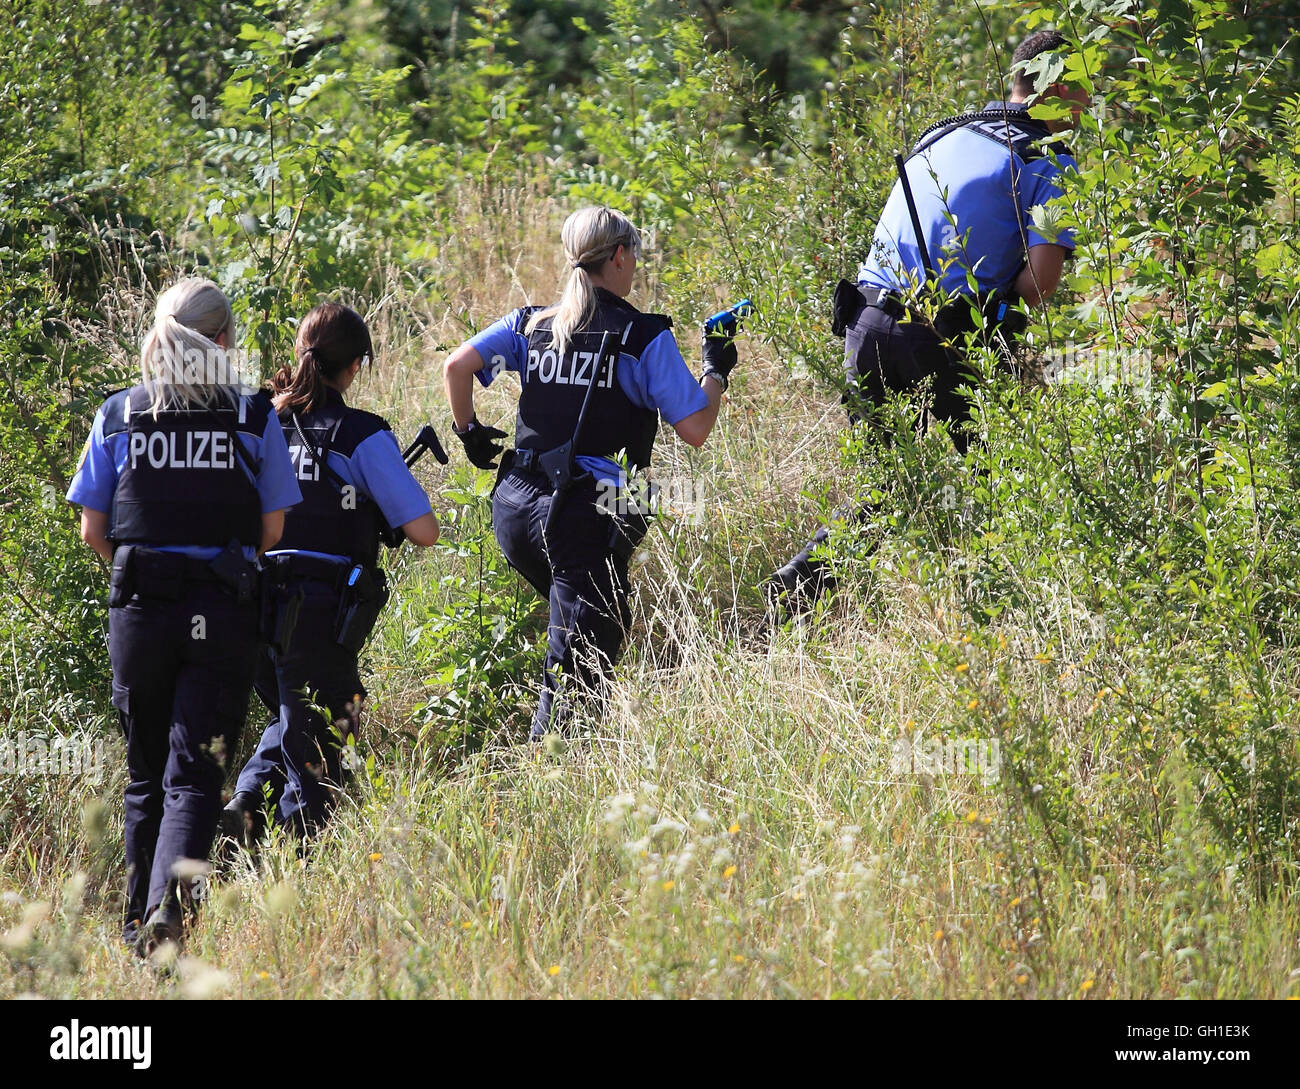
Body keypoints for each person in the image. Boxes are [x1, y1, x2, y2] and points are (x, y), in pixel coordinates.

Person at [768, 28, 1087, 613]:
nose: (1086, 108)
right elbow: (1040, 286)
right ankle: (999, 615)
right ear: (1054, 87)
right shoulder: (1046, 158)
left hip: (864, 324)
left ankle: (799, 587)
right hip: (937, 338)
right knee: (1006, 472)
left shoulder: (945, 133)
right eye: (1082, 92)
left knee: (893, 486)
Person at [66, 277, 302, 952]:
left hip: (140, 609)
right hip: (220, 609)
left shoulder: (119, 413)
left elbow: (93, 529)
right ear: (223, 341)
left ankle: (139, 921)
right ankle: (169, 908)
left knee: (145, 773)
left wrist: (148, 568)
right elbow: (275, 527)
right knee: (195, 772)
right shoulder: (253, 416)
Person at [442, 206, 739, 740]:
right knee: (577, 674)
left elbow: (456, 366)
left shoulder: (529, 325)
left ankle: (567, 754)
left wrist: (468, 433)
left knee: (597, 628)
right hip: (584, 514)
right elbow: (696, 426)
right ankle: (548, 777)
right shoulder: (642, 337)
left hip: (513, 509)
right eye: (636, 256)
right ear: (620, 256)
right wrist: (715, 368)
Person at [223, 303, 439, 842]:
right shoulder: (357, 434)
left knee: (293, 721)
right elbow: (424, 530)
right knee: (329, 740)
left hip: (247, 604)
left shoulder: (259, 423)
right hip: (315, 615)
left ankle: (246, 803)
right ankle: (302, 864)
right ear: (355, 368)